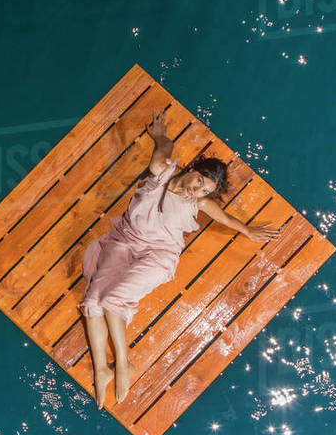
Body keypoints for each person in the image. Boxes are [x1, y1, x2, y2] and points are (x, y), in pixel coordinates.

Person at [78, 108, 282, 410]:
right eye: (199, 181)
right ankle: (102, 369)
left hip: (159, 255)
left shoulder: (197, 201)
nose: (196, 191)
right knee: (93, 300)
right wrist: (159, 136)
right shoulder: (162, 170)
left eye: (205, 191)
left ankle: (124, 363)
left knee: (113, 299)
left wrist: (247, 230)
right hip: (125, 240)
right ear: (193, 169)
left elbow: (223, 216)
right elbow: (164, 149)